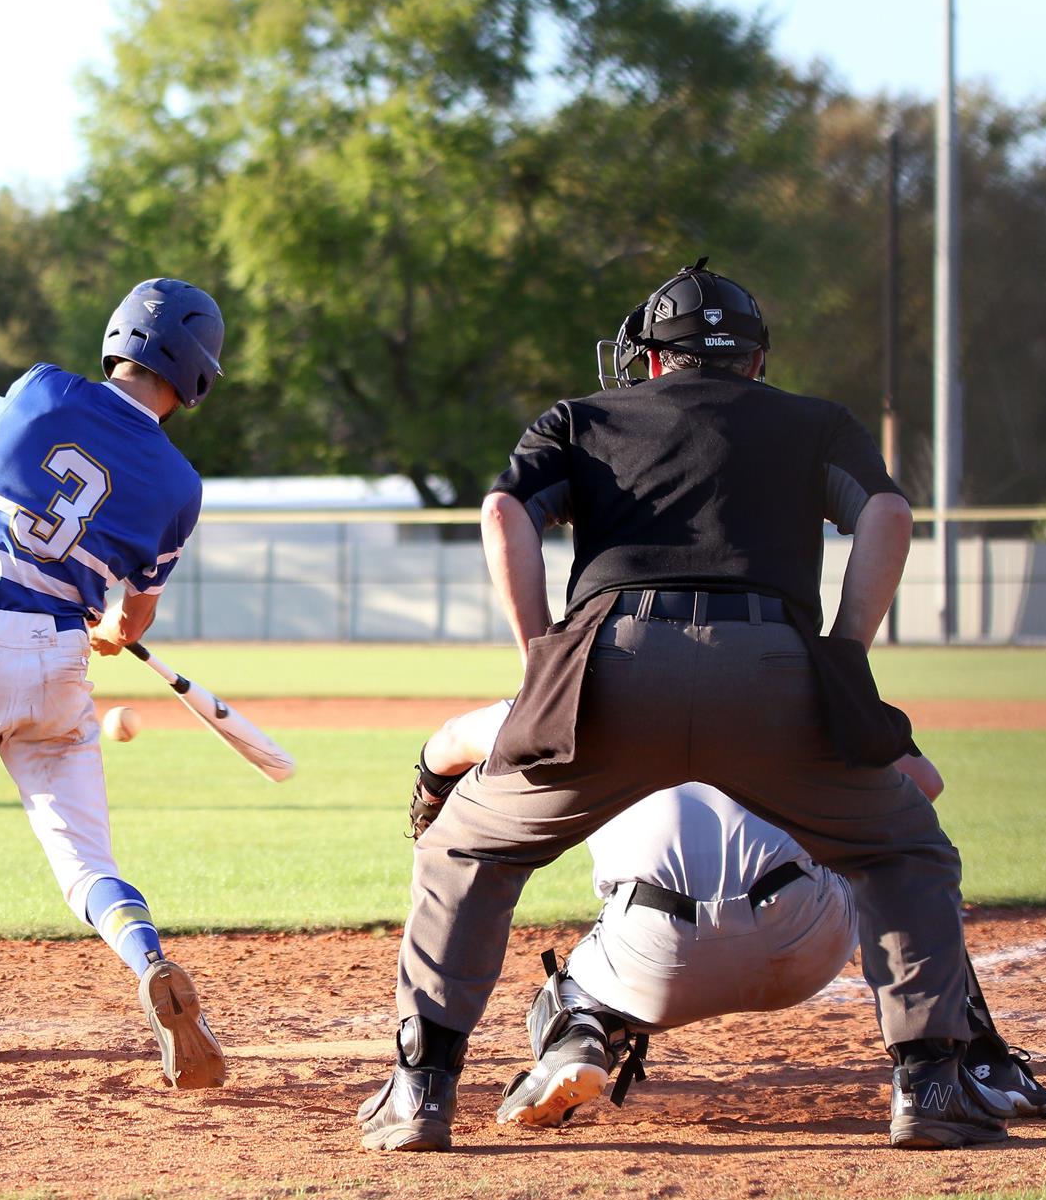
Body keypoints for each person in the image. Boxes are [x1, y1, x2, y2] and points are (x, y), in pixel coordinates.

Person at [357, 259, 1004, 1153]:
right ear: (755, 361)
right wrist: (844, 652)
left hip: (612, 664)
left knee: (466, 845)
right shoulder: (818, 421)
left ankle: (419, 1093)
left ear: (653, 360)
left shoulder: (582, 417)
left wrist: (544, 657)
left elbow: (503, 512)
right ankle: (931, 1090)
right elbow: (887, 516)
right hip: (774, 667)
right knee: (901, 848)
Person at [409, 702, 1046, 1128]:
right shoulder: (791, 673)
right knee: (891, 859)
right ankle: (976, 1062)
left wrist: (429, 796)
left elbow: (449, 743)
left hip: (652, 951)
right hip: (806, 930)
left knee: (569, 985)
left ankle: (580, 1032)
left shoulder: (569, 687)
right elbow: (925, 783)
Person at [0, 279, 228, 1089]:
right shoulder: (180, 488)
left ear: (119, 337)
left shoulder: (37, 389)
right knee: (85, 860)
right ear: (193, 377)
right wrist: (118, 631)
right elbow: (132, 617)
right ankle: (148, 958)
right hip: (58, 655)